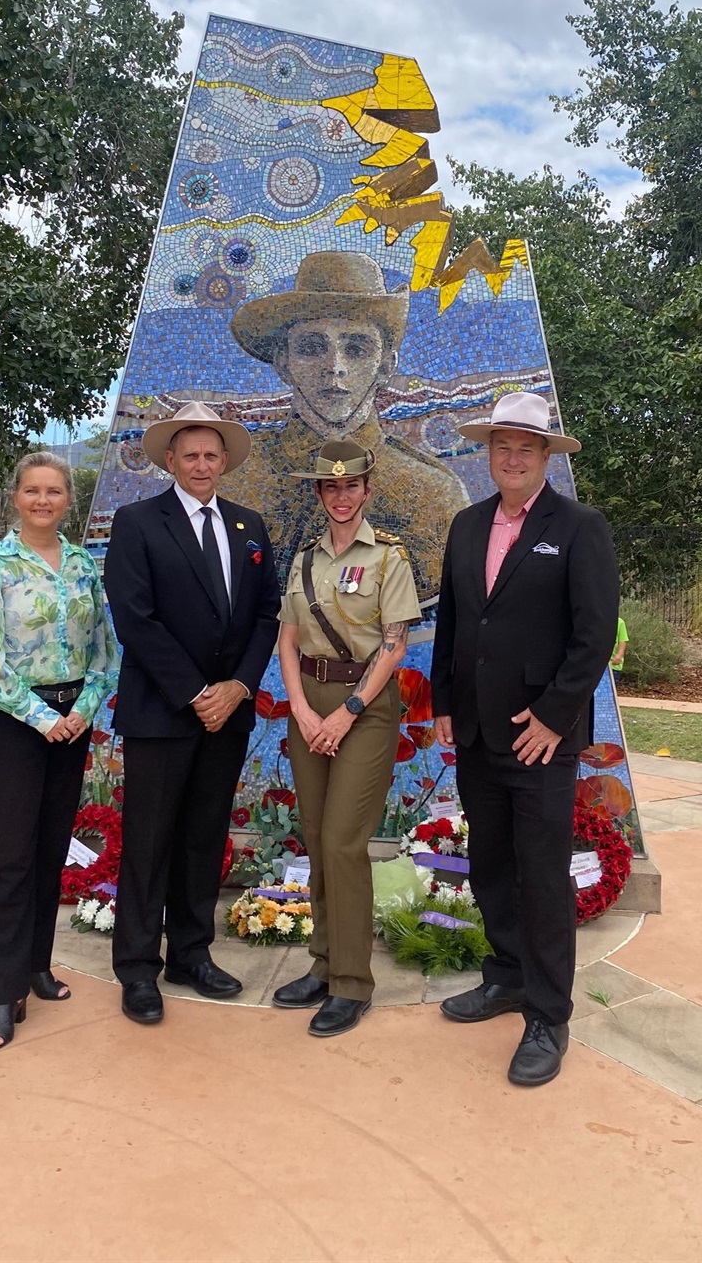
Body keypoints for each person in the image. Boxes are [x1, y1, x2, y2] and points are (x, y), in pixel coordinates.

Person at [430, 391, 619, 1087]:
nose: (511, 456)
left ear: (545, 456)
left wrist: (552, 716)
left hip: (542, 737)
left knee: (541, 878)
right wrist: (445, 703)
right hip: (479, 731)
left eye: (525, 447)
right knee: (491, 866)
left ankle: (547, 1016)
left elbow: (593, 635)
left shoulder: (579, 528)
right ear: (489, 454)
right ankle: (506, 977)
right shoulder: (466, 525)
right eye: (500, 445)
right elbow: (452, 622)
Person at [103, 402, 280, 1024]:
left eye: (212, 454)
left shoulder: (249, 526)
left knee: (205, 838)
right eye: (191, 455)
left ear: (224, 461)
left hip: (226, 713)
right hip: (163, 711)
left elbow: (265, 615)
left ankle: (190, 953)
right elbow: (135, 619)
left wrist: (236, 686)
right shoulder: (137, 522)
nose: (202, 464)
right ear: (170, 461)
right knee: (148, 843)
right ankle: (137, 969)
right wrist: (194, 692)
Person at [0, 450, 119, 1052]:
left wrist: (82, 709)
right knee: (9, 856)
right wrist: (41, 717)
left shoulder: (82, 565)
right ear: (16, 497)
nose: (43, 501)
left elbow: (105, 650)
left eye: (54, 492)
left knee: (53, 846)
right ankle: (4, 993)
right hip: (13, 723)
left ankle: (36, 966)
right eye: (33, 491)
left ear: (68, 500)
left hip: (71, 722)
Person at [271, 439, 421, 1037]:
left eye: (351, 486)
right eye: (329, 488)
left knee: (342, 839)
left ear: (367, 490)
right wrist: (304, 711)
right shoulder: (304, 558)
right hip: (311, 703)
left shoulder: (388, 557)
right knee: (315, 837)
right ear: (318, 493)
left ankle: (353, 983)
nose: (340, 497)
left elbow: (395, 643)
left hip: (366, 707)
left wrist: (347, 711)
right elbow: (287, 640)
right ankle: (325, 964)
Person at [227, 251, 469, 598]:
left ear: (385, 365)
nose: (335, 366)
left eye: (356, 348)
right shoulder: (237, 482)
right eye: (312, 347)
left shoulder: (434, 496)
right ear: (283, 363)